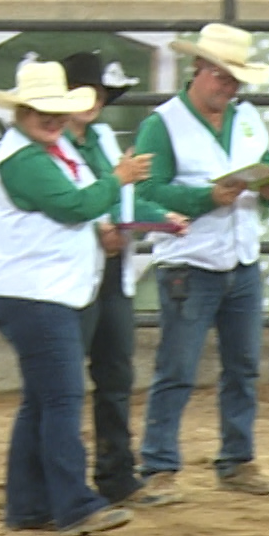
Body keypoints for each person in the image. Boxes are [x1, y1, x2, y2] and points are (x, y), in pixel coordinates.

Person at [0, 61, 152, 536]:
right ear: (22, 111)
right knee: (60, 399)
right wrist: (117, 179)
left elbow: (76, 205)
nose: (52, 118)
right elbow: (74, 206)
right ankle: (74, 504)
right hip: (38, 294)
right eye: (41, 110)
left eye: (56, 110)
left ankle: (29, 505)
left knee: (42, 401)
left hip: (37, 292)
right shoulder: (30, 160)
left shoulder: (38, 153)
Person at [133, 25, 269, 505]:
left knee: (241, 366)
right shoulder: (162, 123)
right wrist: (206, 197)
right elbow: (143, 195)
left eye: (234, 80)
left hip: (236, 259)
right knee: (178, 368)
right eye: (223, 77)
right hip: (192, 261)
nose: (229, 88)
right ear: (198, 70)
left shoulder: (244, 120)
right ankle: (162, 465)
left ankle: (232, 459)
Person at [58, 50, 183, 508]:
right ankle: (77, 479)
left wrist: (158, 215)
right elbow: (72, 204)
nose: (92, 101)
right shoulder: (61, 146)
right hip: (74, 270)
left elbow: (121, 199)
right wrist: (105, 226)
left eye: (97, 93)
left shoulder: (101, 139)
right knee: (69, 382)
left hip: (104, 270)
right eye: (82, 91)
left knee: (114, 373)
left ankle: (115, 475)